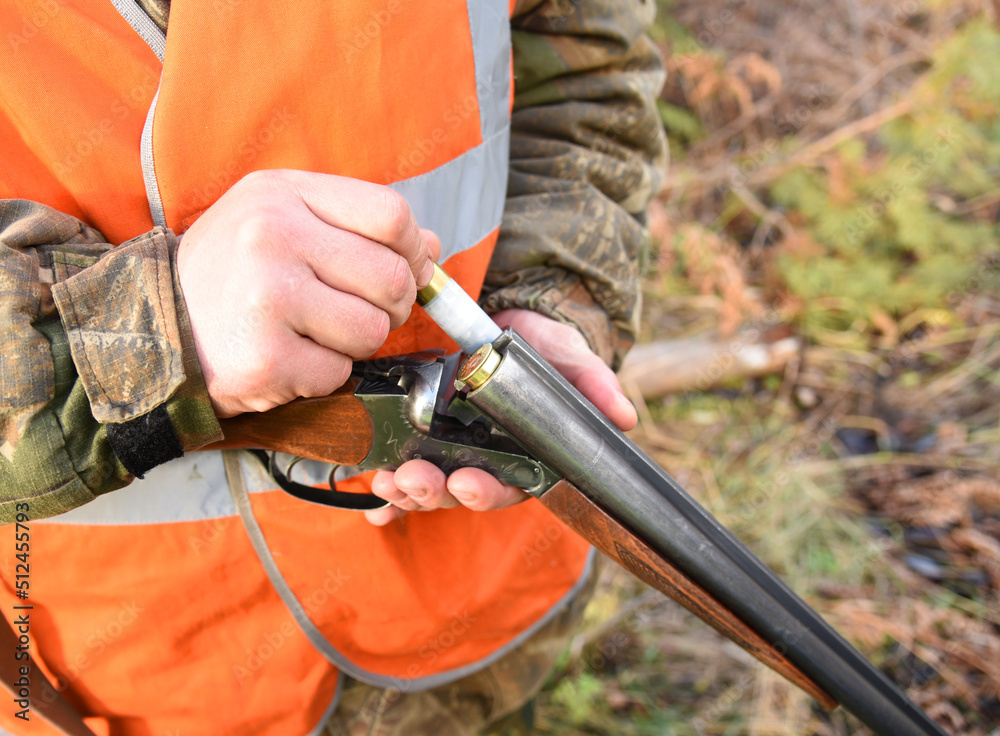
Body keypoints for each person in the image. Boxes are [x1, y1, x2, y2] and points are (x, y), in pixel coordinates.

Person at [0, 0, 667, 733]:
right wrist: (157, 325)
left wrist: (549, 294)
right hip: (125, 683)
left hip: (476, 616)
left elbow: (583, 67)